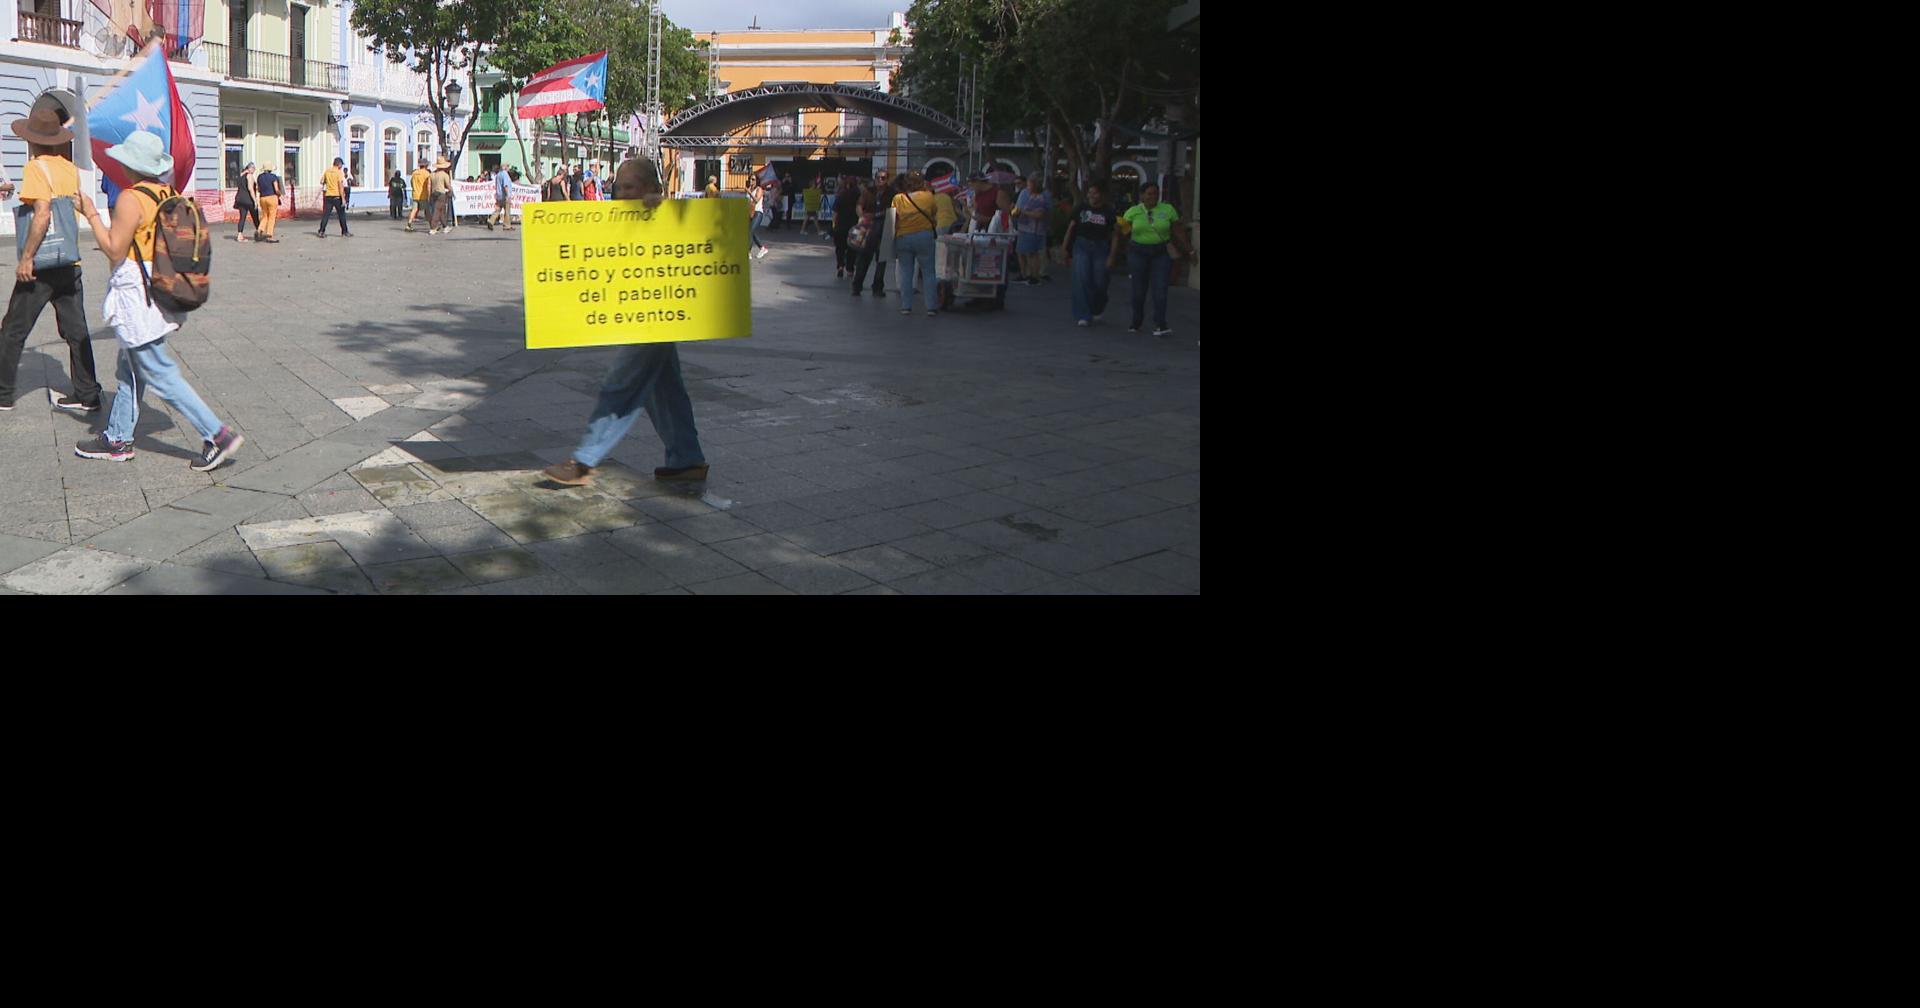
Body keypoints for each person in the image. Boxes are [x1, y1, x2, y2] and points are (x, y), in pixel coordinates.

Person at [69, 130, 243, 471]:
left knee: (159, 372)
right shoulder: (167, 192)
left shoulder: (132, 199)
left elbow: (114, 249)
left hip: (138, 293)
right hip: (161, 285)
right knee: (129, 368)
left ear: (129, 165)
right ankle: (118, 437)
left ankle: (216, 434)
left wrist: (90, 213)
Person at [540, 156, 709, 489]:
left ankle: (585, 459)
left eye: (629, 187)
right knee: (665, 390)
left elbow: (690, 233)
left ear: (651, 189)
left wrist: (660, 207)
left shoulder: (666, 214)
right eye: (618, 187)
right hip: (640, 313)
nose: (621, 194)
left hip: (660, 314)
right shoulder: (619, 218)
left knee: (621, 384)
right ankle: (687, 460)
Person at [0, 105, 101, 414]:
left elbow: (42, 215)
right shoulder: (68, 168)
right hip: (69, 263)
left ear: (32, 140)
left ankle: (3, 393)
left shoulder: (35, 168)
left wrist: (26, 257)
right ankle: (88, 393)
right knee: (76, 331)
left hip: (41, 267)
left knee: (13, 329)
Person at [1120, 181, 1197, 337]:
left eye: (1156, 193)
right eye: (1149, 193)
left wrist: (1190, 250)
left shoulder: (1167, 210)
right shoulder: (1132, 211)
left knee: (1160, 289)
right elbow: (1122, 233)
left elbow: (1178, 231)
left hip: (1160, 253)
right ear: (1142, 195)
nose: (1153, 197)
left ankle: (1160, 324)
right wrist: (1118, 251)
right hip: (1138, 252)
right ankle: (1136, 322)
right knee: (1139, 290)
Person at [1062, 180, 1122, 327]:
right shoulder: (1080, 208)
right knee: (1081, 279)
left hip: (1100, 247)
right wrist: (1065, 248)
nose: (1091, 196)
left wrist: (1112, 256)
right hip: (1081, 245)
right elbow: (1071, 228)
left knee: (1100, 281)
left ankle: (1098, 305)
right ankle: (1082, 314)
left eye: (1095, 193)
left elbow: (1115, 235)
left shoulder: (1109, 211)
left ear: (1102, 194)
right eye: (1089, 193)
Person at [890, 172, 940, 317]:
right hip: (924, 236)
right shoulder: (928, 196)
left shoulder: (898, 198)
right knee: (928, 272)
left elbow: (893, 218)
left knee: (906, 272)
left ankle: (906, 306)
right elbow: (933, 212)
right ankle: (931, 307)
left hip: (903, 237)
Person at [850, 169, 893, 296]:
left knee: (882, 260)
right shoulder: (868, 191)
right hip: (869, 227)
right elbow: (859, 206)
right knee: (864, 258)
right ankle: (857, 286)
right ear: (875, 178)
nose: (880, 180)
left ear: (887, 179)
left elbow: (896, 209)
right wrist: (862, 218)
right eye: (878, 177)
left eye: (883, 178)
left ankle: (878, 287)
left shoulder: (892, 193)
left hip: (886, 226)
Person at [1014, 173, 1051, 285]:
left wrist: (1024, 211)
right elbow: (1018, 207)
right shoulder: (1024, 193)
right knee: (1020, 251)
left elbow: (1041, 214)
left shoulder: (1042, 197)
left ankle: (1034, 276)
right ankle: (1023, 273)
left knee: (1032, 253)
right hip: (1023, 226)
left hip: (1035, 228)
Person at [831, 174, 862, 278]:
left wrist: (834, 224)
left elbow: (835, 212)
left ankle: (840, 266)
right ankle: (850, 269)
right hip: (854, 225)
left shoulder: (841, 195)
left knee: (840, 247)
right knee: (852, 248)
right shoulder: (859, 196)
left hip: (841, 225)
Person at [316, 156, 351, 237]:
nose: (341, 166)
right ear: (339, 164)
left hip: (328, 196)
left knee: (326, 214)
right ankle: (345, 232)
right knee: (341, 214)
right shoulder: (339, 172)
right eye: (341, 164)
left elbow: (322, 181)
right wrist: (343, 199)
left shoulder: (327, 171)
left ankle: (321, 231)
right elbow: (340, 186)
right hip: (337, 196)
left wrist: (328, 183)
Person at [230, 162, 261, 243]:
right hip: (248, 199)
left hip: (240, 199)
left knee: (242, 217)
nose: (254, 170)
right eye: (253, 168)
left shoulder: (241, 176)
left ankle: (239, 235)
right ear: (249, 168)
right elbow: (250, 188)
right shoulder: (249, 176)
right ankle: (259, 233)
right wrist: (255, 200)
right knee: (255, 217)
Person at [255, 163, 282, 242]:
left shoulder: (259, 177)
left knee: (265, 216)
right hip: (272, 197)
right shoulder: (273, 177)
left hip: (262, 198)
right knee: (272, 217)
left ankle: (259, 230)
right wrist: (279, 194)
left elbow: (258, 189)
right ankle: (269, 235)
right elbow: (276, 189)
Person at [746, 177, 770, 260]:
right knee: (753, 232)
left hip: (758, 213)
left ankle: (748, 252)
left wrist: (749, 193)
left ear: (757, 181)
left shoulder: (759, 189)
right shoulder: (749, 188)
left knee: (750, 231)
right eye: (750, 179)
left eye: (753, 179)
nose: (751, 181)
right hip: (750, 212)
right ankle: (762, 248)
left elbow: (756, 200)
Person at [428, 156, 453, 234]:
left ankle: (445, 226)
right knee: (437, 210)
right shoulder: (444, 175)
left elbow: (429, 186)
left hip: (433, 193)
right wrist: (451, 190)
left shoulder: (432, 174)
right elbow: (448, 185)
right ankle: (433, 228)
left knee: (441, 211)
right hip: (441, 194)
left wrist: (429, 195)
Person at [488, 163, 514, 231]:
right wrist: (508, 194)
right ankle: (507, 225)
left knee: (498, 209)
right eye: (508, 166)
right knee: (507, 211)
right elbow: (505, 185)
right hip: (504, 195)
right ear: (505, 167)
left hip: (499, 195)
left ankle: (491, 220)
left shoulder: (498, 175)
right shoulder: (505, 174)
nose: (509, 168)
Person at [406, 161, 431, 232]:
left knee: (414, 210)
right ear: (426, 166)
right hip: (423, 195)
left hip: (415, 194)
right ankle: (432, 226)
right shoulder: (427, 174)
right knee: (427, 211)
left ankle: (409, 224)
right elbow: (428, 185)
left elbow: (411, 183)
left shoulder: (414, 173)